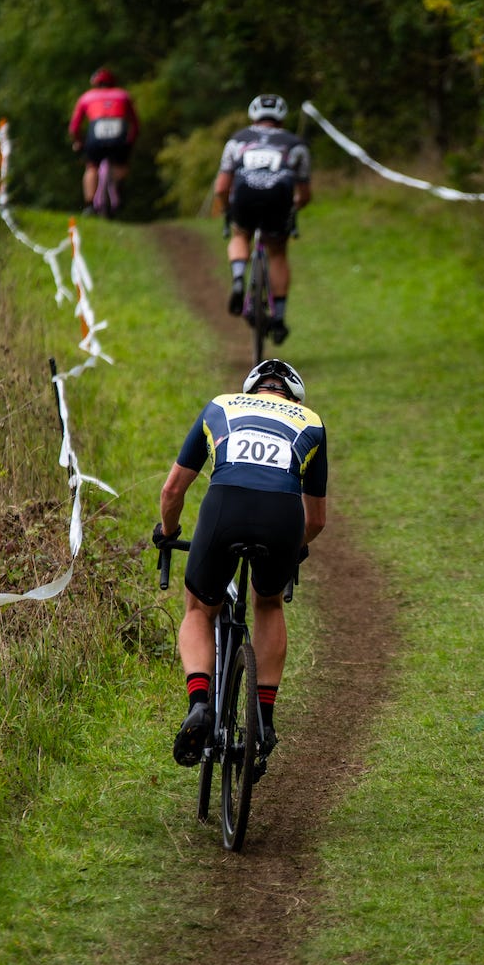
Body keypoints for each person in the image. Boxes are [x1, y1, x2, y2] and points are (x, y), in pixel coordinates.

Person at [153, 358, 326, 766]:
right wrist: (292, 547)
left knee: (199, 607)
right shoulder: (311, 421)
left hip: (225, 504)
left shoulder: (220, 406)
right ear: (293, 396)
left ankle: (199, 703)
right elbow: (316, 519)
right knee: (267, 602)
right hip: (282, 515)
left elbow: (173, 489)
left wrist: (169, 532)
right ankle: (263, 719)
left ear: (252, 391)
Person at [213, 93, 311, 344]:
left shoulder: (238, 140)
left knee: (240, 233)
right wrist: (294, 208)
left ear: (253, 115)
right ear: (281, 118)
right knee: (277, 252)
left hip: (244, 193)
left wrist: (227, 209)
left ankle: (237, 278)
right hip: (279, 196)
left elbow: (222, 188)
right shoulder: (295, 143)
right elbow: (305, 194)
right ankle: (278, 318)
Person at [68, 68, 139, 211]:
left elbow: (74, 127)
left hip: (95, 136)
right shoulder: (123, 95)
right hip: (119, 137)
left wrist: (78, 142)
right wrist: (130, 141)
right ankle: (116, 188)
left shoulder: (86, 97)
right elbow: (135, 125)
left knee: (91, 167)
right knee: (121, 166)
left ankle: (89, 204)